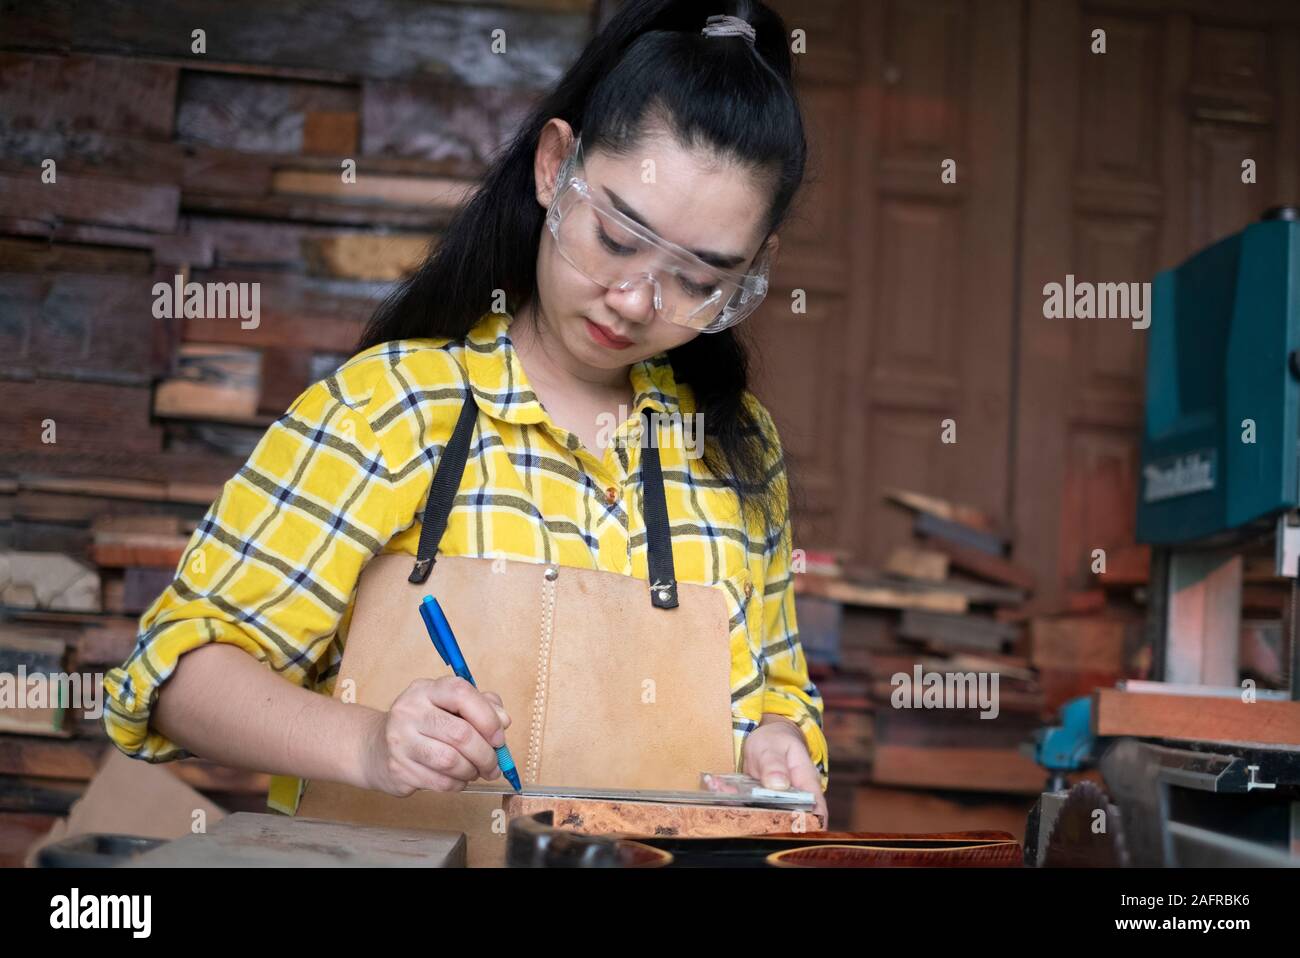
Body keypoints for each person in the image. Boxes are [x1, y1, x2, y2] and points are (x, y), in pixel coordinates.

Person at [103, 0, 829, 825]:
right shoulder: (396, 407)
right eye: (619, 238)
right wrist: (370, 744)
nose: (634, 299)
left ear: (752, 271)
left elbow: (774, 688)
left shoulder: (736, 449)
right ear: (557, 167)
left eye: (699, 280)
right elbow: (175, 677)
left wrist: (776, 737)